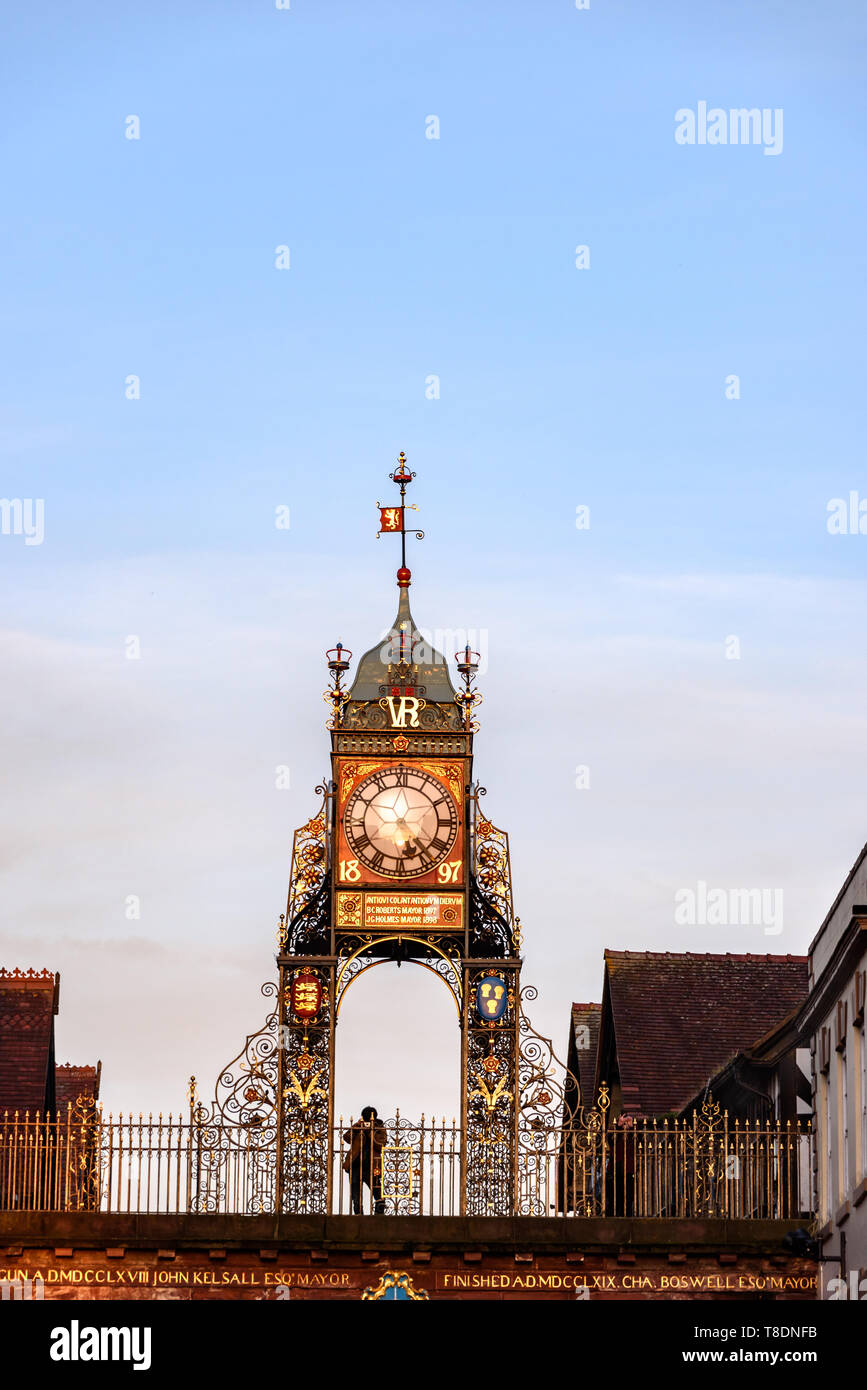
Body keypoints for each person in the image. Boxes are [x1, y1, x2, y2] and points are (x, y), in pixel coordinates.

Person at [343, 1106, 388, 1215]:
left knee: (377, 1187)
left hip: (372, 1165)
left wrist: (371, 1132)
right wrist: (357, 1128)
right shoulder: (358, 1127)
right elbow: (346, 1137)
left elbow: (381, 1144)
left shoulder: (379, 1128)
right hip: (355, 1164)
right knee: (355, 1192)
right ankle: (358, 1213)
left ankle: (379, 1209)